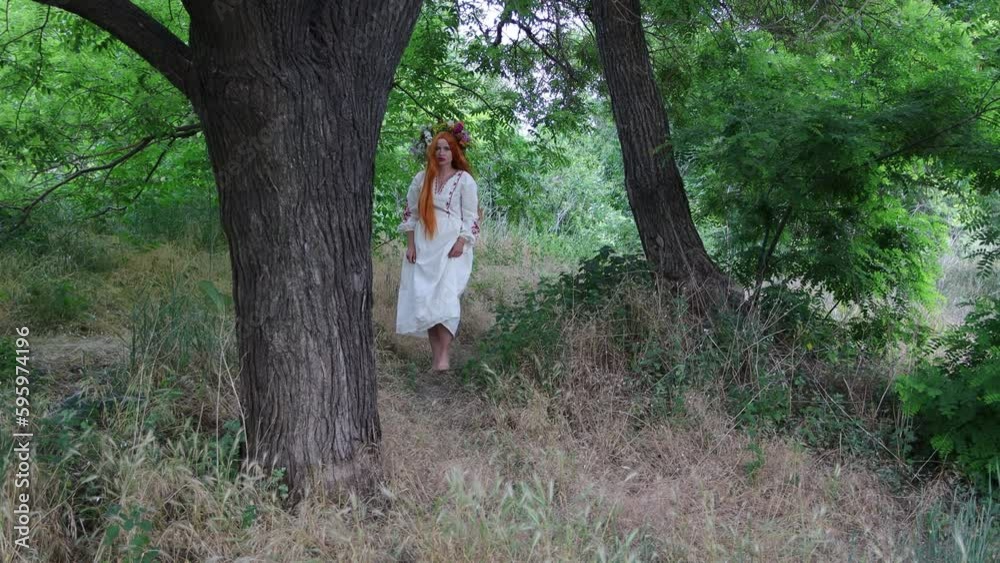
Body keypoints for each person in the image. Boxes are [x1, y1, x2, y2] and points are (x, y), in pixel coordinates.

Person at [395, 126, 480, 372]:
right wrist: (410, 245)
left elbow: (471, 217)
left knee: (446, 300)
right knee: (427, 300)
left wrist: (462, 242)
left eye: (447, 148)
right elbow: (410, 213)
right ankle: (438, 359)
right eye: (438, 148)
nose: (442, 153)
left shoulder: (465, 181)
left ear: (455, 152)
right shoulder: (422, 179)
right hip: (424, 244)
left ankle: (444, 354)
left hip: (451, 246)